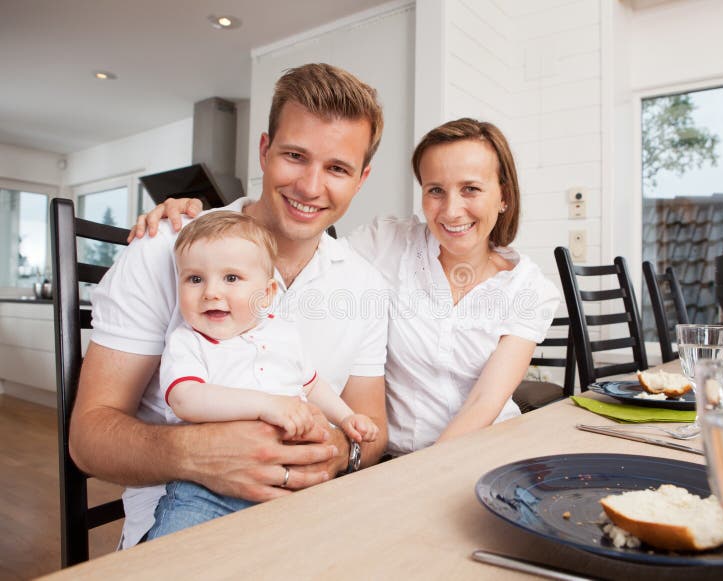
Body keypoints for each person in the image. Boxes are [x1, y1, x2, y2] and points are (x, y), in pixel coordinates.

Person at [72, 63, 389, 549]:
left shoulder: (365, 286)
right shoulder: (164, 249)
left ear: (361, 178)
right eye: (295, 155)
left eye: (337, 168)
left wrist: (335, 456)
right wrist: (198, 453)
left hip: (310, 523)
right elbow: (88, 439)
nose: (309, 185)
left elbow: (372, 433)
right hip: (185, 531)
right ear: (264, 151)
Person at [134, 118, 560, 458]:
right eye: (435, 190)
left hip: (483, 452)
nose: (451, 210)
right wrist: (202, 220)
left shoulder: (530, 289)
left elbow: (485, 401)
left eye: (471, 189)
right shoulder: (387, 243)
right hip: (391, 460)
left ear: (503, 196)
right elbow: (302, 241)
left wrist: (423, 478)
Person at [148, 211, 378, 538]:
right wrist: (267, 405)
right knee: (175, 556)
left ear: (267, 294)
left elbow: (311, 384)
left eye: (231, 279)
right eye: (194, 279)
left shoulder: (283, 335)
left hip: (292, 491)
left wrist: (346, 417)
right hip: (206, 492)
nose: (211, 292)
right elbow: (185, 399)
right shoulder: (189, 341)